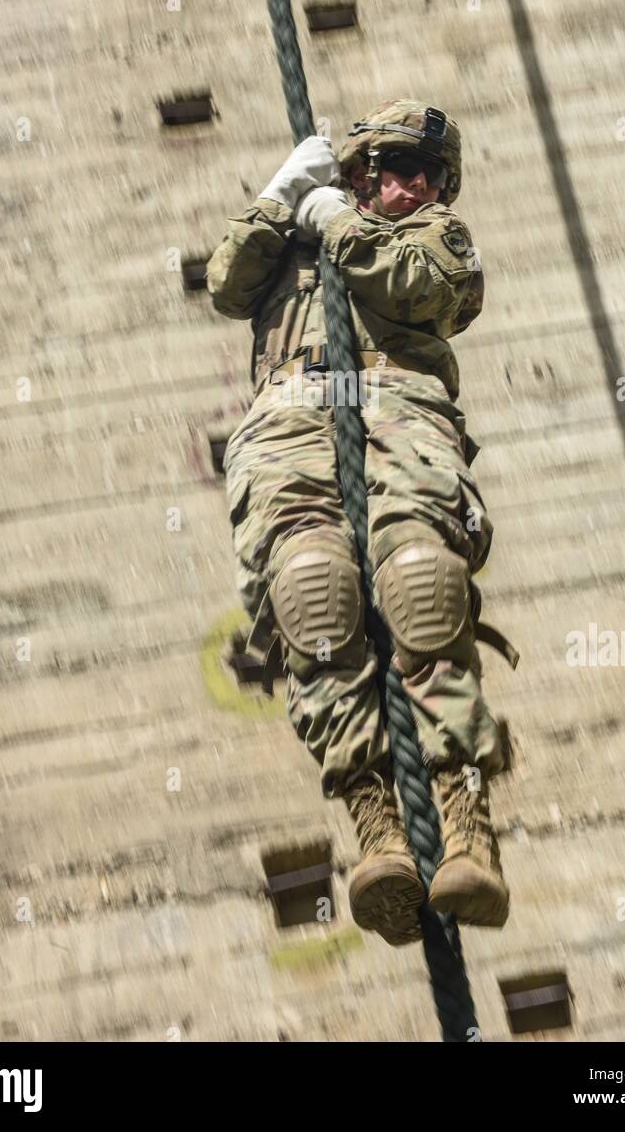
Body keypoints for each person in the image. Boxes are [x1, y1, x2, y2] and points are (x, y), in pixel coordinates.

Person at [206, 101, 515, 946]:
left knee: (419, 576)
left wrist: (337, 219)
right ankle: (375, 823)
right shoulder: (294, 238)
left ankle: (465, 822)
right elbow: (226, 284)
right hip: (289, 418)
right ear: (361, 169)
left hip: (396, 403)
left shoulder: (439, 240)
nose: (413, 185)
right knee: (311, 592)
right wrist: (279, 200)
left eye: (427, 173)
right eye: (394, 167)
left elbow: (424, 292)